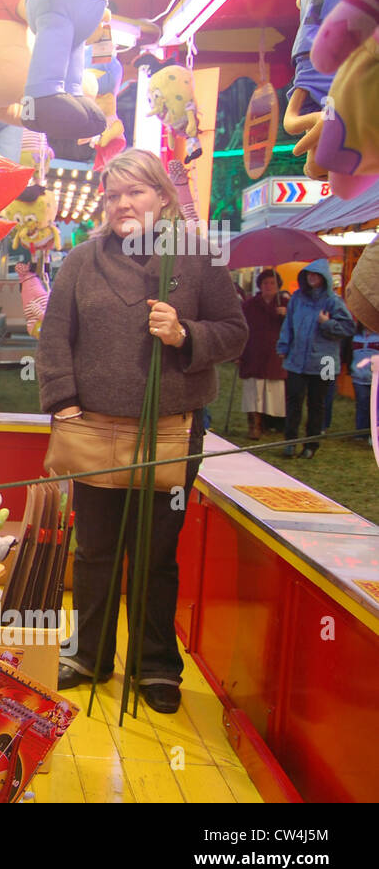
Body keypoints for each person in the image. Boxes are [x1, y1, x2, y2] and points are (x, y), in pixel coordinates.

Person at [37, 148, 248, 714]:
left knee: (157, 552)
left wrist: (185, 335)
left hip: (173, 430)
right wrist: (63, 401)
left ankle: (156, 666)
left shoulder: (198, 258)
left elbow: (234, 333)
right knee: (96, 549)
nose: (123, 204)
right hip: (94, 430)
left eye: (135, 192)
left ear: (162, 196)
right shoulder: (83, 259)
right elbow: (56, 336)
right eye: (113, 195)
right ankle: (88, 654)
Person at [276, 259, 354, 458]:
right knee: (293, 400)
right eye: (309, 274)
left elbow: (348, 328)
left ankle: (311, 445)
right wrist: (283, 345)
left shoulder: (333, 301)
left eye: (316, 275)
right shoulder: (297, 299)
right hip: (296, 360)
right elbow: (288, 325)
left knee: (317, 403)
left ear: (324, 278)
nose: (312, 278)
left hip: (324, 361)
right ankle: (291, 442)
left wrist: (327, 324)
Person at [239, 269, 289, 439]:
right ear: (260, 285)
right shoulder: (250, 305)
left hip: (276, 355)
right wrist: (237, 353)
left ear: (278, 286)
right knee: (253, 390)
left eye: (272, 283)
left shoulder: (286, 304)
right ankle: (254, 425)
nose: (268, 286)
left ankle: (270, 424)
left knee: (273, 391)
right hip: (253, 353)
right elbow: (241, 328)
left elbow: (295, 329)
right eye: (265, 283)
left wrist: (286, 316)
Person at [351, 324, 378, 434]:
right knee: (362, 404)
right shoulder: (355, 336)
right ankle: (361, 432)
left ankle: (374, 434)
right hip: (358, 377)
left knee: (375, 407)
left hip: (376, 378)